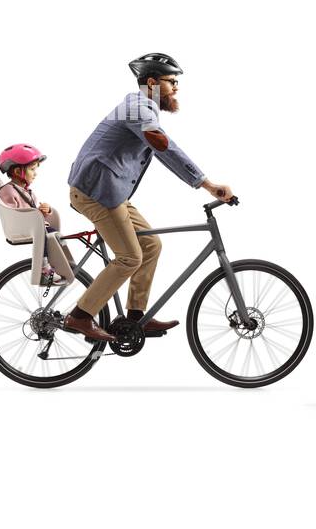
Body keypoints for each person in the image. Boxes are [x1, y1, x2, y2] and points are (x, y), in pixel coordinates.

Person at [62, 53, 234, 342]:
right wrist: (207, 184)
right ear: (152, 82)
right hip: (96, 192)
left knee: (150, 244)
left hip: (111, 191)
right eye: (171, 81)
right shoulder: (138, 109)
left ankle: (134, 317)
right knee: (129, 257)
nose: (176, 87)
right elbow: (166, 148)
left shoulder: (143, 108)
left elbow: (161, 149)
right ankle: (79, 316)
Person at [0, 143, 65, 283]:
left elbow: (34, 212)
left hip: (34, 224)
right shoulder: (7, 191)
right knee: (47, 234)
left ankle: (53, 264)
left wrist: (46, 211)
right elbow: (12, 213)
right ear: (17, 172)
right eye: (32, 169)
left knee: (55, 235)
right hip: (23, 226)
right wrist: (34, 215)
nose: (35, 173)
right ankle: (44, 269)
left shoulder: (28, 193)